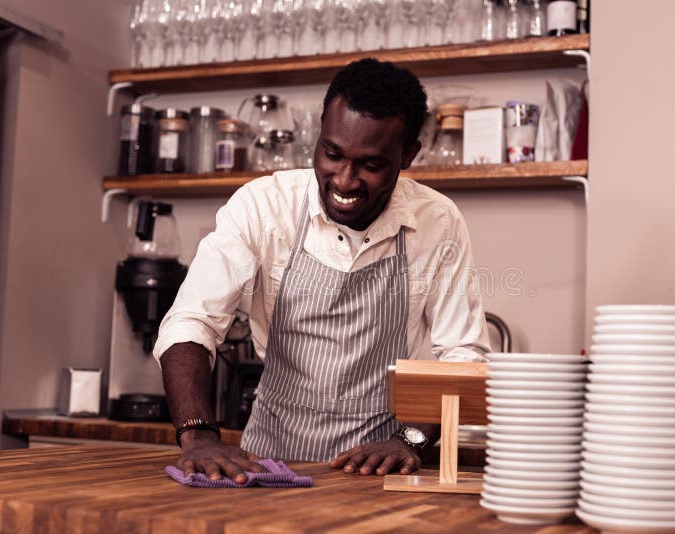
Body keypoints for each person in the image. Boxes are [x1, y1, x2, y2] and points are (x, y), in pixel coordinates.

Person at [154, 58, 490, 484]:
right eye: (332, 154)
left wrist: (410, 441)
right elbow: (192, 321)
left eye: (369, 164)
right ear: (320, 134)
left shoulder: (438, 222)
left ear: (407, 155)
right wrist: (198, 436)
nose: (344, 180)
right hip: (263, 467)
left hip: (375, 472)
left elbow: (463, 354)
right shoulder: (263, 206)